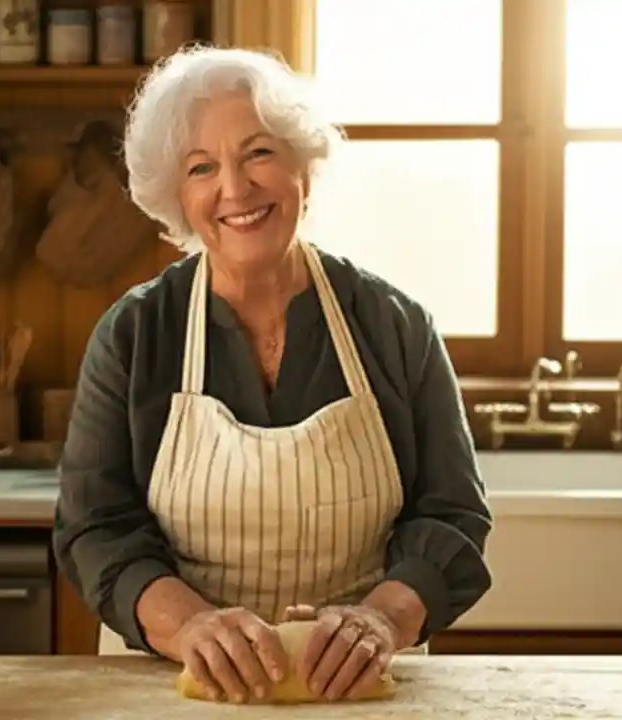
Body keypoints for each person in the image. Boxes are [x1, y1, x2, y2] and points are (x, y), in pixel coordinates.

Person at [52, 44, 492, 704]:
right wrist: (192, 626)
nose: (235, 189)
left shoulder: (395, 325)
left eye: (258, 153)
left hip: (356, 687)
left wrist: (381, 620)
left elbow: (452, 515)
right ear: (177, 196)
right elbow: (95, 528)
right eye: (202, 168)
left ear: (303, 167)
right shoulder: (136, 334)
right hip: (180, 686)